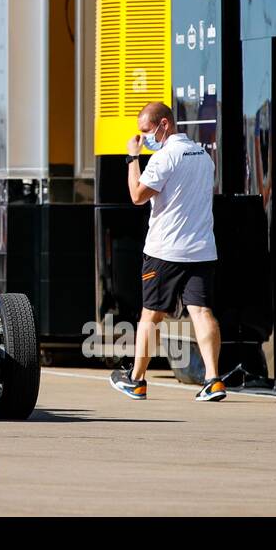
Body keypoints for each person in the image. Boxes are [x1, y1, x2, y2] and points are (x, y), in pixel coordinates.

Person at [111, 102, 225, 403]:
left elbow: (137, 195)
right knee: (201, 312)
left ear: (164, 124)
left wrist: (132, 158)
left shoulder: (164, 158)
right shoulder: (203, 156)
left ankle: (136, 380)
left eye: (146, 131)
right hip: (201, 249)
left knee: (150, 317)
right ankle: (213, 379)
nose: (144, 137)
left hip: (165, 251)